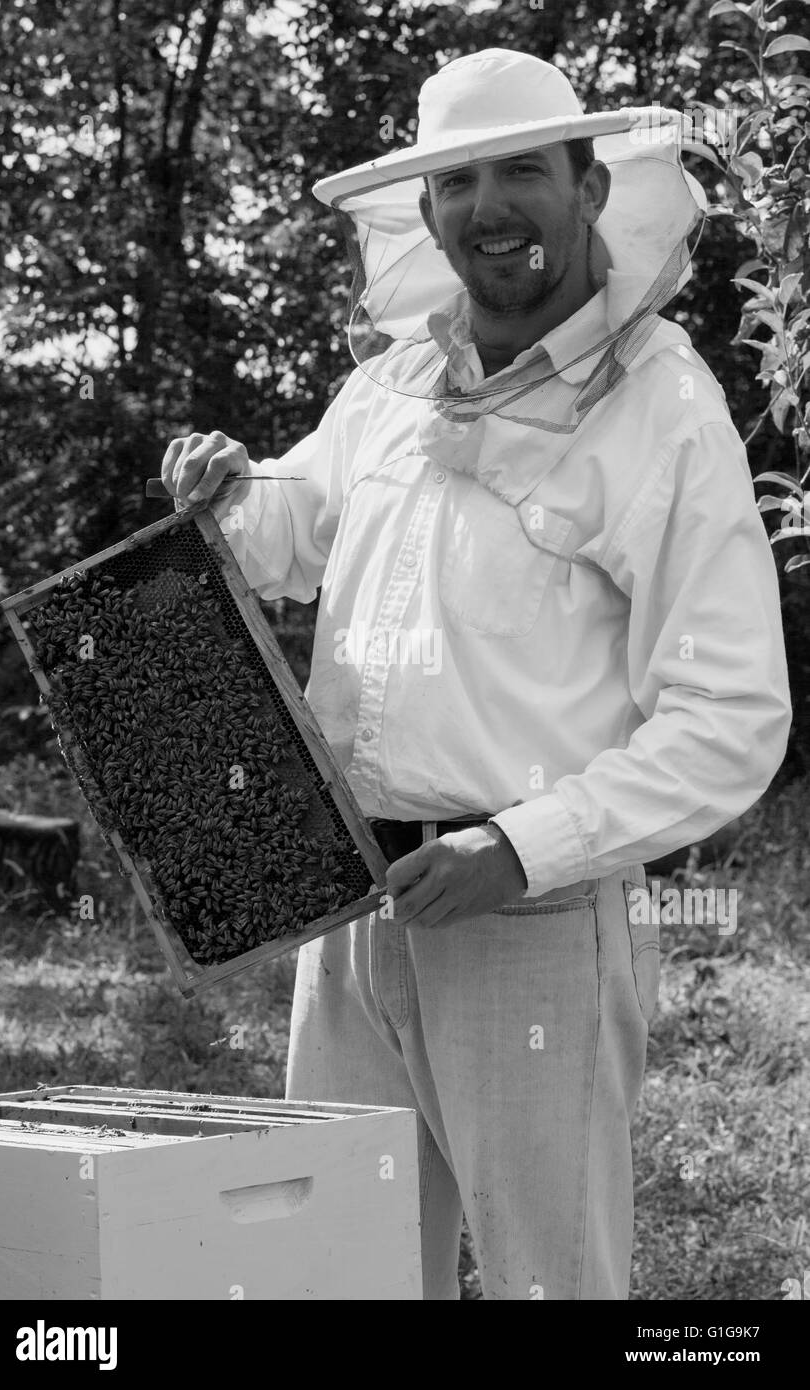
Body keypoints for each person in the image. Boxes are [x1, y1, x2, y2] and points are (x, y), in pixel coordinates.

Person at [160, 49, 792, 1300]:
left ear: (590, 186)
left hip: (532, 919)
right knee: (330, 1271)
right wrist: (219, 495)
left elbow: (731, 718)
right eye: (459, 180)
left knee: (546, 1282)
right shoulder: (389, 389)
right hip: (345, 911)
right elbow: (287, 538)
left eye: (520, 172)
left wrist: (517, 844)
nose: (488, 207)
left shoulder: (663, 409)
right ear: (427, 209)